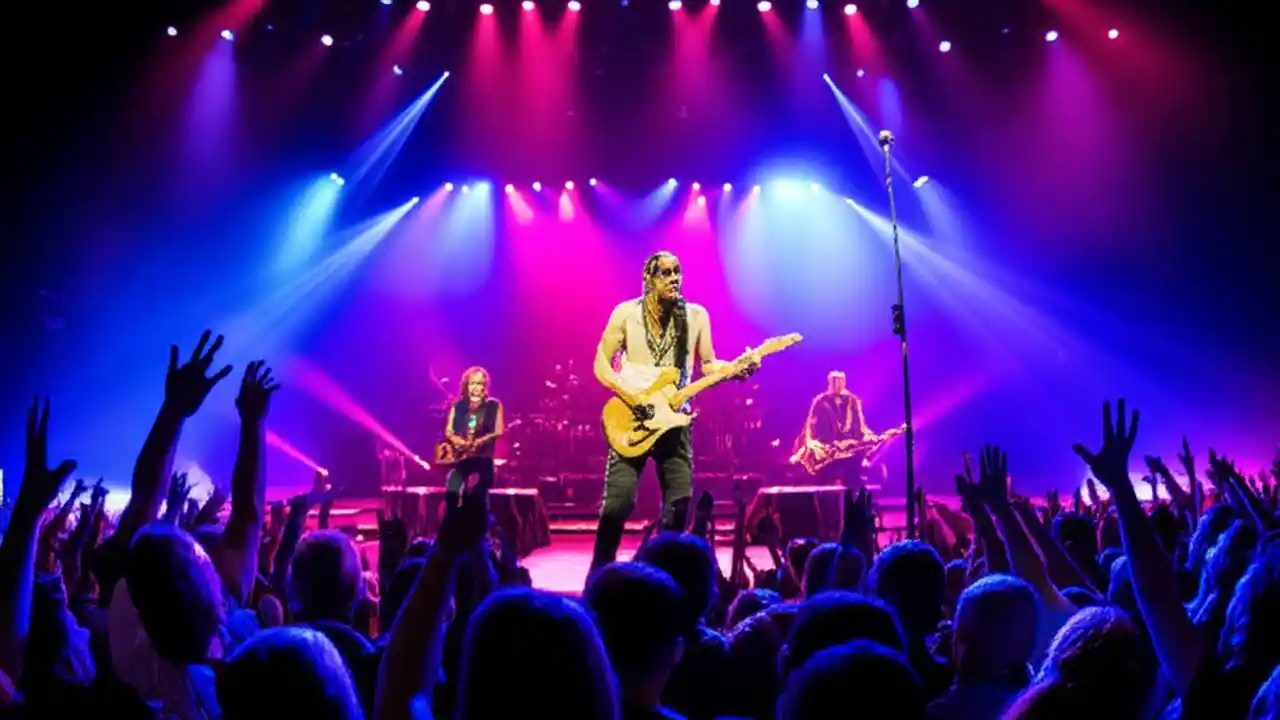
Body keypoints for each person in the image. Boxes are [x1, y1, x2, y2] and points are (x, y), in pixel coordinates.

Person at [590, 251, 755, 571]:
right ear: (648, 279)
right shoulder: (625, 313)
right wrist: (631, 396)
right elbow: (600, 363)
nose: (675, 278)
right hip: (632, 418)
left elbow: (708, 364)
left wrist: (735, 369)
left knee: (679, 505)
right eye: (665, 273)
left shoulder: (695, 316)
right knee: (617, 505)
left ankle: (666, 578)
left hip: (675, 420)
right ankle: (599, 577)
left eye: (678, 272)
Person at [791, 371, 880, 487]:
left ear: (844, 382)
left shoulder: (852, 401)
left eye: (840, 381)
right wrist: (825, 443)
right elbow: (813, 427)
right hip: (825, 443)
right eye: (834, 381)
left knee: (857, 460)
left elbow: (859, 425)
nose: (837, 384)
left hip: (849, 443)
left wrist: (864, 438)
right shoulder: (820, 402)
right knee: (818, 462)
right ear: (829, 383)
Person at [443, 366, 505, 504]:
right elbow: (449, 431)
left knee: (479, 501)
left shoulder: (494, 405)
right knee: (455, 496)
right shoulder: (458, 406)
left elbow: (499, 430)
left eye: (480, 384)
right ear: (466, 385)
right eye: (473, 383)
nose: (476, 387)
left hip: (483, 460)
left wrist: (480, 441)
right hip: (462, 460)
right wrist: (458, 441)